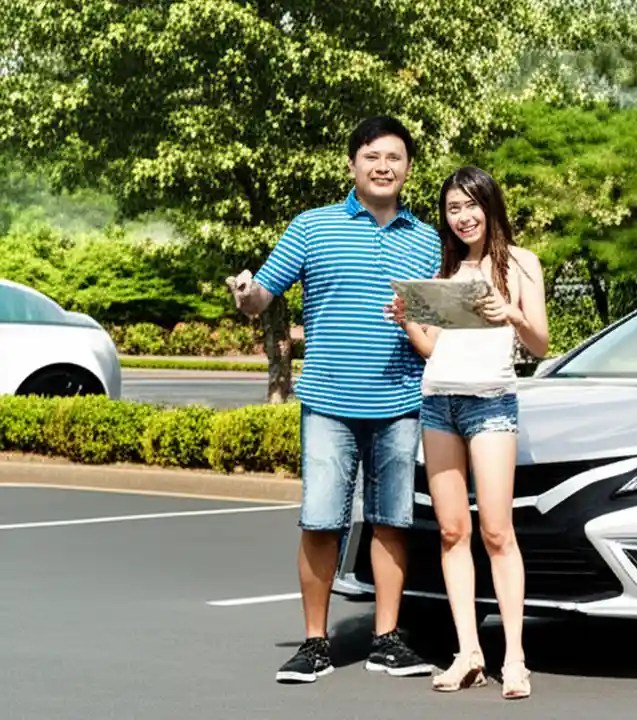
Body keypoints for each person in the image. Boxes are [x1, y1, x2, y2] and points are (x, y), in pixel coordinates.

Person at [226, 115, 442, 684]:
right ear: (352, 164)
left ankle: (387, 640)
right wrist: (246, 294)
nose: (383, 166)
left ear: (408, 167)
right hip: (329, 401)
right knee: (321, 521)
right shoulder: (312, 227)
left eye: (394, 157)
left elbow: (439, 327)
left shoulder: (426, 239)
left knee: (392, 522)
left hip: (401, 400)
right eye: (372, 156)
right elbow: (262, 296)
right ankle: (315, 643)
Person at [388, 165, 548, 700]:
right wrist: (407, 319)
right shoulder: (444, 269)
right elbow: (433, 349)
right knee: (452, 532)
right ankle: (468, 653)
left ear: (489, 204)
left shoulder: (522, 264)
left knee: (497, 532)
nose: (463, 217)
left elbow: (542, 344)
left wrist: (513, 316)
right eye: (453, 209)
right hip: (439, 403)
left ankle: (516, 658)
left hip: (491, 405)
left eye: (470, 205)